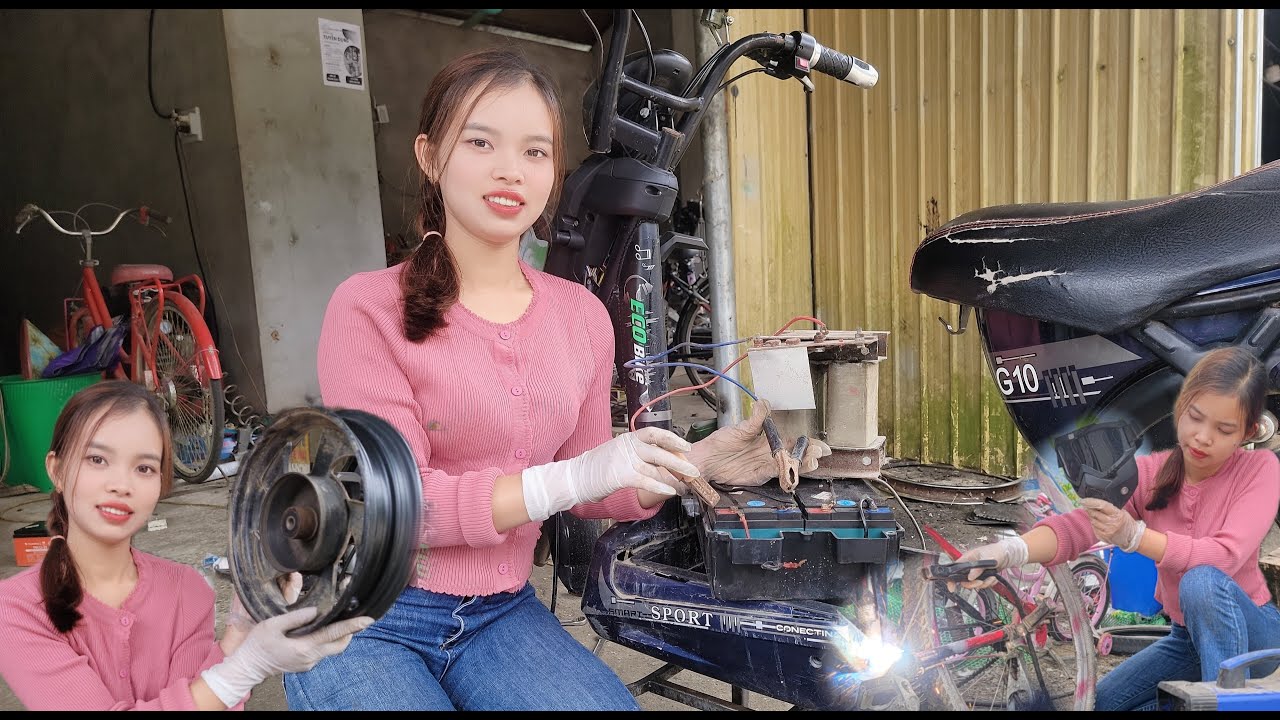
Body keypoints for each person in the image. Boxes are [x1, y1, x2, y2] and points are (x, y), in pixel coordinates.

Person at [286, 48, 827, 711]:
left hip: (497, 615)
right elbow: (397, 505)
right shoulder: (368, 307)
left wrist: (693, 464)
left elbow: (592, 478)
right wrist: (569, 478)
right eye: (480, 141)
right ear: (430, 156)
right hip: (366, 617)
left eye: (535, 152)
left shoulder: (580, 318)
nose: (510, 169)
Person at [0, 380, 373, 710]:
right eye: (97, 459)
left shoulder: (187, 589)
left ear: (161, 485)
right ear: (56, 470)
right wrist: (248, 667)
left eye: (144, 468)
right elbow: (216, 690)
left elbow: (203, 694)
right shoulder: (16, 609)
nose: (121, 484)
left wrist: (241, 635)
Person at [952, 346, 1280, 711]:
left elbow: (1223, 557)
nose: (1202, 437)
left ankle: (1222, 704)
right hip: (1187, 637)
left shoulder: (1261, 470)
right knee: (1102, 703)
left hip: (1255, 639)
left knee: (1200, 580)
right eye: (1196, 417)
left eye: (1223, 429)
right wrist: (1003, 553)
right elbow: (1080, 526)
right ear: (1181, 407)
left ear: (1250, 431)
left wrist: (1136, 537)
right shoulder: (1153, 473)